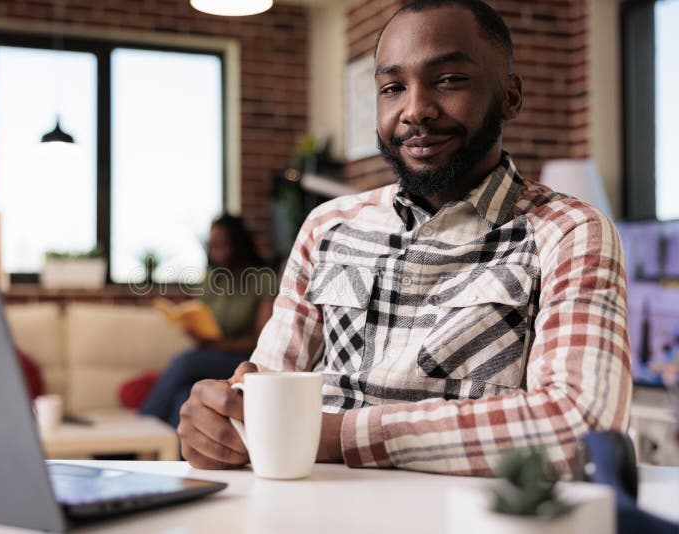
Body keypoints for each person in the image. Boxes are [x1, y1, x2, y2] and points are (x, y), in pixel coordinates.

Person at [177, 0, 631, 476]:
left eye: (449, 80)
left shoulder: (569, 232)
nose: (415, 110)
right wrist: (221, 425)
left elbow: (582, 426)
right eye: (392, 88)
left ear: (510, 97)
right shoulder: (327, 227)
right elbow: (263, 393)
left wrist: (335, 435)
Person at [140, 214, 276, 427]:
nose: (217, 252)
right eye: (213, 246)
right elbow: (200, 315)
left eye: (224, 245)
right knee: (184, 396)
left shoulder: (262, 279)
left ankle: (142, 430)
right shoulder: (211, 279)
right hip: (212, 354)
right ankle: (174, 455)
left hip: (244, 360)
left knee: (185, 362)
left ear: (239, 245)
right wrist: (191, 328)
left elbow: (262, 341)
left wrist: (220, 345)